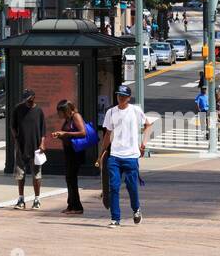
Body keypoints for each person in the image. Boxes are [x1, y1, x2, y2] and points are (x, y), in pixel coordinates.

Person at [97, 84, 151, 227]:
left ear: (128, 97)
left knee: (131, 185)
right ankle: (115, 218)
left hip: (131, 155)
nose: (120, 98)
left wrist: (143, 144)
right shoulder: (111, 112)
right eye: (118, 95)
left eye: (123, 96)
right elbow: (108, 134)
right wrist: (102, 153)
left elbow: (148, 125)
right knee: (114, 186)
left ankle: (136, 209)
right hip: (114, 155)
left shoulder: (135, 110)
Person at [51, 100, 88, 214]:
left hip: (75, 151)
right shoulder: (68, 119)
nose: (59, 115)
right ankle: (71, 205)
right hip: (68, 151)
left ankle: (77, 207)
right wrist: (60, 135)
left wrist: (65, 134)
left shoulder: (76, 116)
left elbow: (83, 132)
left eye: (60, 112)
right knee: (69, 178)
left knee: (72, 178)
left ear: (65, 111)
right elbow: (68, 134)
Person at [11, 89, 47, 210]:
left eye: (29, 100)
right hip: (21, 146)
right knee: (20, 174)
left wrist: (42, 143)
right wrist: (16, 139)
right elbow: (13, 126)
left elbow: (43, 130)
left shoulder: (38, 111)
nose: (28, 102)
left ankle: (37, 199)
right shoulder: (18, 109)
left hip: (36, 148)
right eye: (26, 100)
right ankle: (21, 199)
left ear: (34, 98)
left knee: (36, 174)